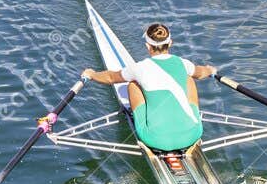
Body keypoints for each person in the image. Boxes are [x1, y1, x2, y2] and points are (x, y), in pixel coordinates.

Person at [82, 22, 216, 152]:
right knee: (189, 78)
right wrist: (210, 70)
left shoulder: (139, 68)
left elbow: (111, 77)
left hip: (154, 140)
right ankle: (186, 123)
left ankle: (140, 119)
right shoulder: (183, 63)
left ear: (147, 46)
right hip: (193, 134)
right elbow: (201, 72)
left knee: (133, 84)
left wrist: (92, 74)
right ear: (170, 43)